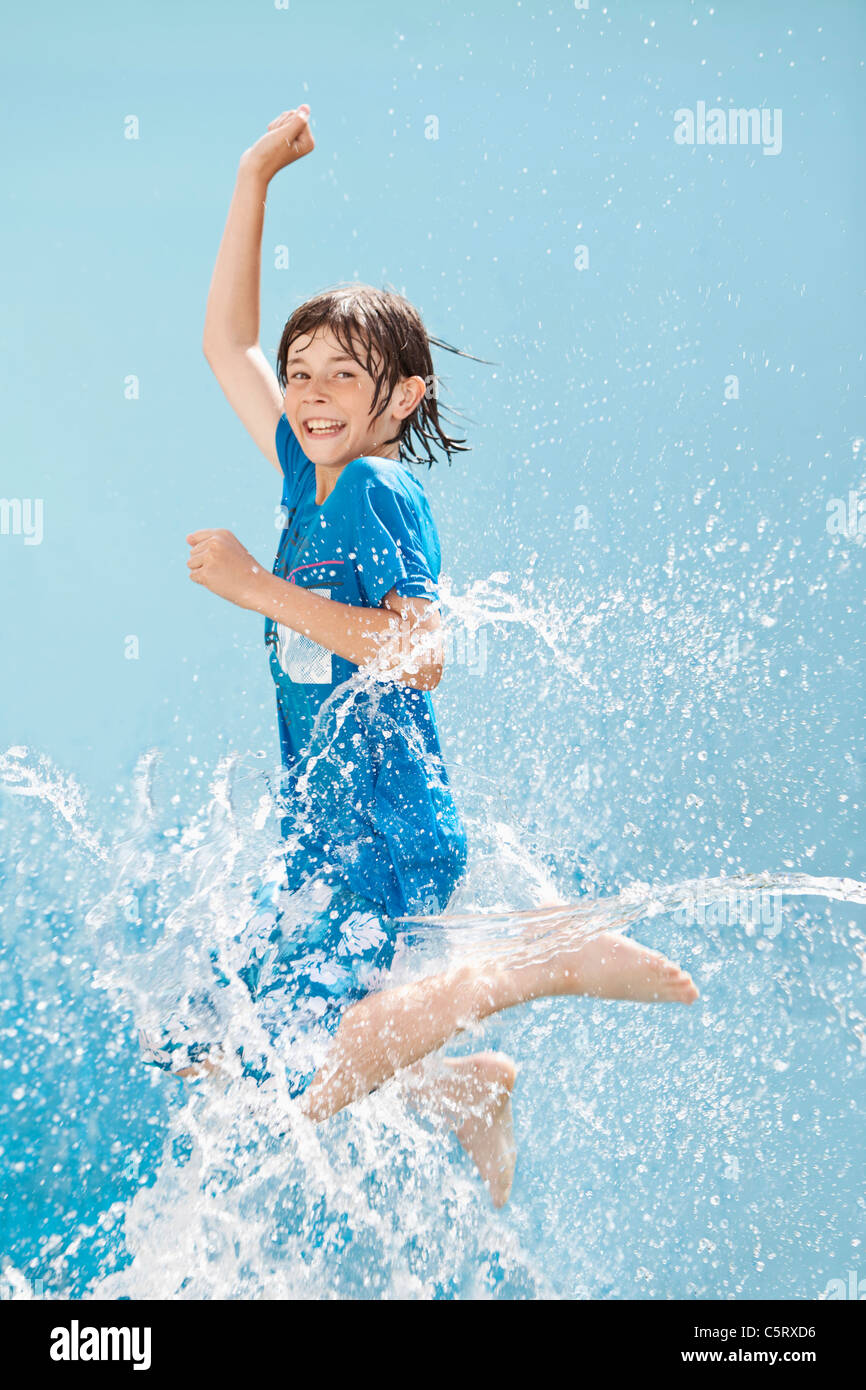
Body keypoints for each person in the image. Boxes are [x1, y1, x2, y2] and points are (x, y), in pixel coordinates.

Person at [143, 105, 698, 1208]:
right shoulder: (314, 478)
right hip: (323, 824)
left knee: (298, 1074)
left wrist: (258, 587)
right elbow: (225, 343)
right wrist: (253, 175)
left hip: (385, 825)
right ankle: (462, 1089)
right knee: (204, 1050)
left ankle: (541, 963)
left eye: (338, 377)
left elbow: (420, 653)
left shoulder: (382, 490)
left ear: (400, 398)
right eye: (300, 374)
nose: (304, 393)